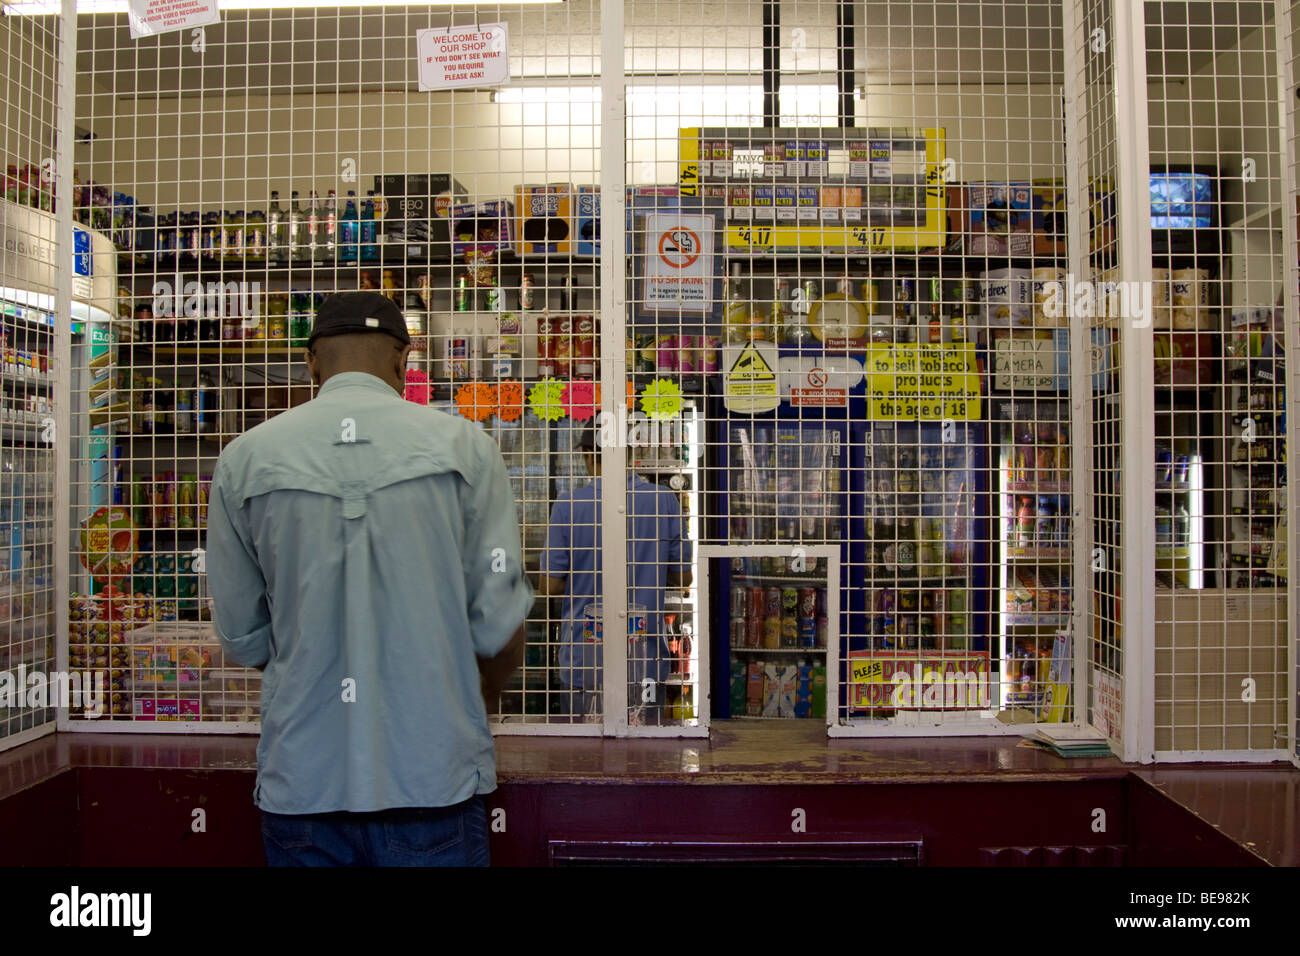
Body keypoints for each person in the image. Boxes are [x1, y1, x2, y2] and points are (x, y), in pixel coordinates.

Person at [206, 291, 533, 867]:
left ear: (311, 362)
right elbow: (500, 626)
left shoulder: (244, 460)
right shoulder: (467, 451)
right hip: (432, 779)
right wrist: (464, 696)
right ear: (405, 363)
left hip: (304, 784)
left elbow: (242, 636)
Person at [537, 424, 691, 722]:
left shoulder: (568, 506)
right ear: (632, 453)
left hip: (583, 661)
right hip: (645, 660)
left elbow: (550, 586)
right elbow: (683, 578)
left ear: (587, 456)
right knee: (645, 760)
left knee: (583, 759)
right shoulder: (664, 502)